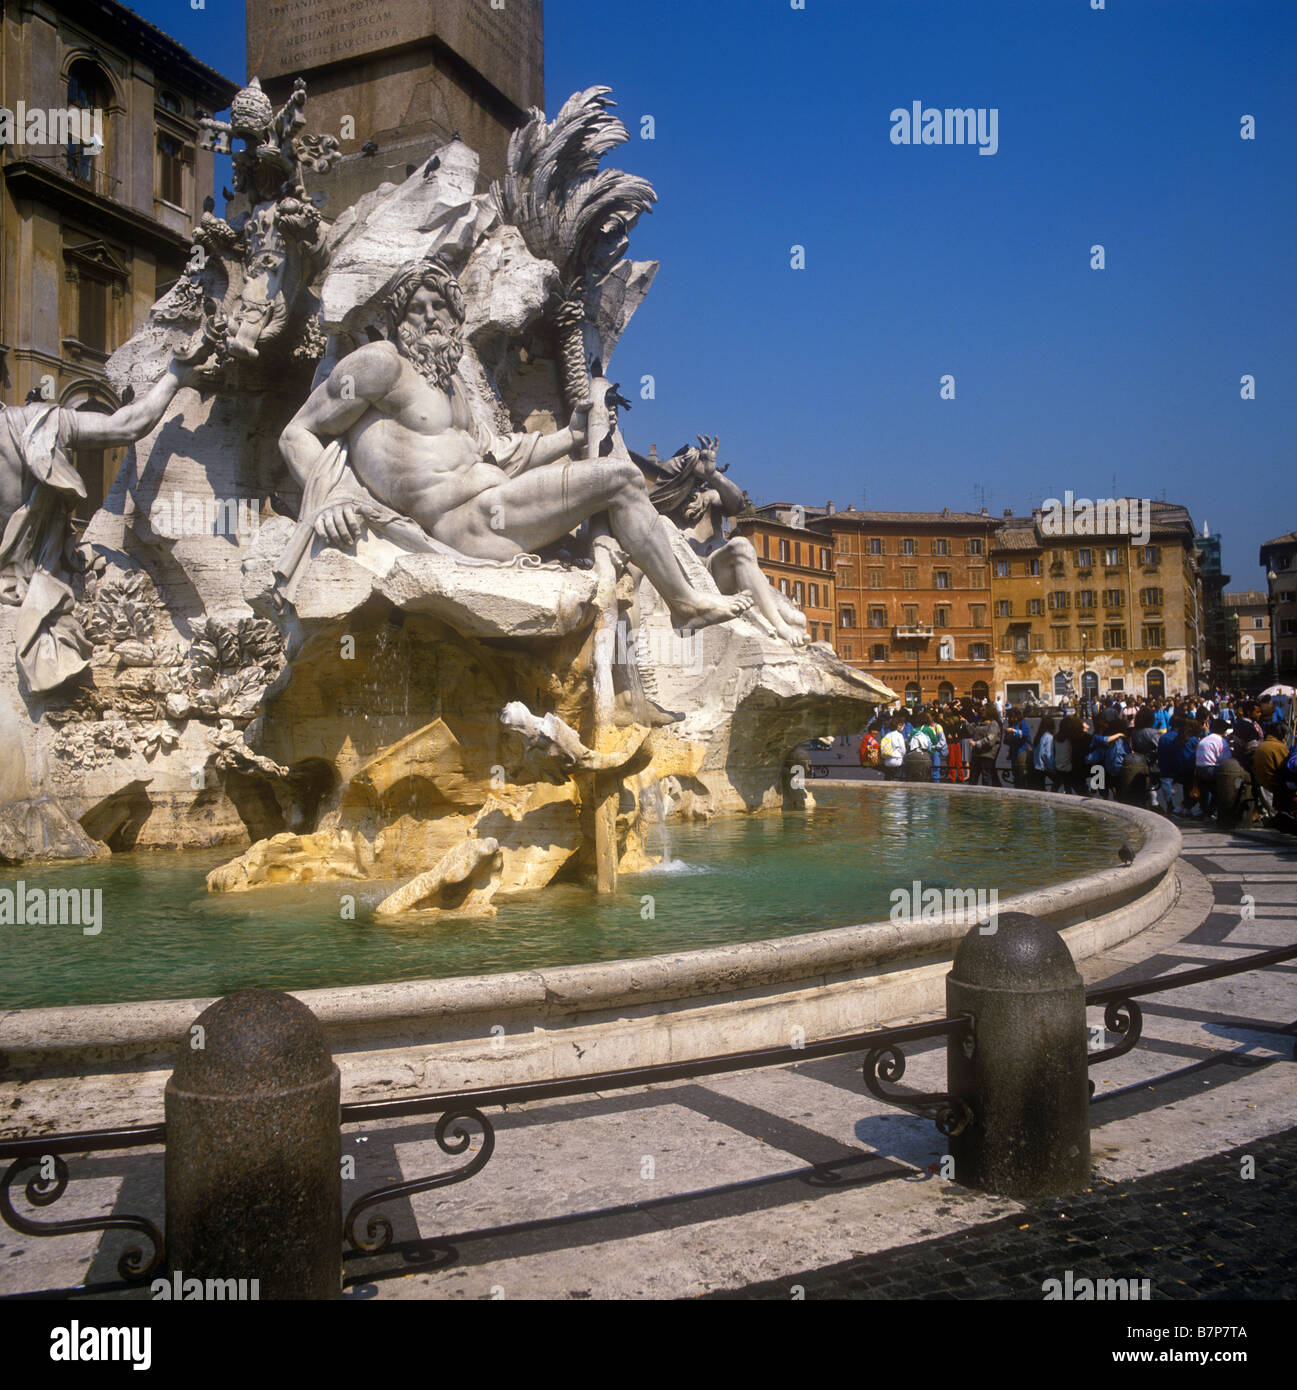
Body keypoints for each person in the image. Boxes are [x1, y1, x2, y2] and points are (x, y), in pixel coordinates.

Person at [276, 254, 752, 632]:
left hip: (493, 504)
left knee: (618, 483)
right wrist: (334, 495)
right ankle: (686, 604)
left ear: (453, 314)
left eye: (438, 306)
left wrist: (571, 436)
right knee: (623, 477)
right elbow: (298, 431)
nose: (428, 317)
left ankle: (679, 600)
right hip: (462, 522)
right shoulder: (379, 364)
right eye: (415, 308)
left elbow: (503, 455)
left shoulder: (451, 388)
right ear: (398, 318)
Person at [1253, 722, 1291, 822]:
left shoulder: (1262, 745)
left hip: (1261, 782)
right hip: (1272, 784)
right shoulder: (1279, 747)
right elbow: (1286, 767)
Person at [1194, 718, 1230, 819]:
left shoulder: (1204, 739)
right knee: (1218, 792)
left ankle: (1205, 811)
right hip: (1211, 769)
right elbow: (1226, 759)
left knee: (1204, 793)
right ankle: (1213, 811)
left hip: (1199, 769)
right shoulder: (1221, 741)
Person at [1032, 714, 1057, 791]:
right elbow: (1047, 754)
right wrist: (1052, 768)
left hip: (1037, 767)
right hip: (1044, 767)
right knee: (1058, 782)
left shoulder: (1039, 736)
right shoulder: (1049, 737)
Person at [880, 716, 907, 781]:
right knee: (898, 779)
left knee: (888, 779)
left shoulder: (887, 735)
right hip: (897, 760)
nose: (902, 727)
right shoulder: (899, 735)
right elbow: (903, 750)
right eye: (900, 725)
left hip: (887, 761)